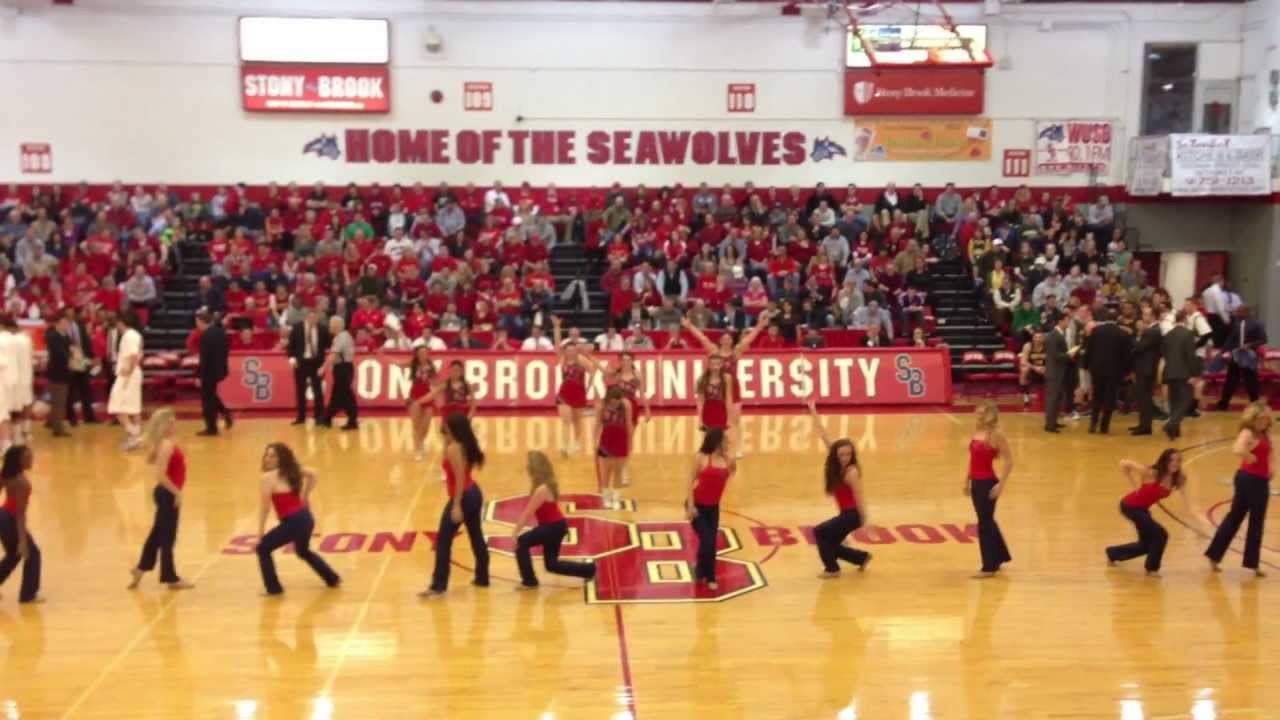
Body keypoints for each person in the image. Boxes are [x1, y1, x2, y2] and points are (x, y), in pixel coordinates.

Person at [254, 443, 342, 595]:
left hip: (294, 521)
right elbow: (314, 473)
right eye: (267, 455)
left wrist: (260, 531)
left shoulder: (267, 478)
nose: (268, 458)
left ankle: (273, 589)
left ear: (281, 458)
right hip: (306, 518)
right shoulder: (292, 471)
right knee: (303, 551)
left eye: (273, 456)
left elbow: (265, 508)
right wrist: (306, 495)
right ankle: (332, 578)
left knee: (263, 548)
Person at [684, 312, 770, 458]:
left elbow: (749, 340)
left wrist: (760, 326)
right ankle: (709, 445)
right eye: (723, 339)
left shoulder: (736, 352)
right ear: (720, 341)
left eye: (728, 338)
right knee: (711, 419)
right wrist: (690, 326)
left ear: (731, 340)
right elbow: (702, 338)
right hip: (717, 389)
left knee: (735, 420)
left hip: (733, 388)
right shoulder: (714, 351)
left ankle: (738, 447)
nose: (726, 341)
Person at [422, 412, 490, 597]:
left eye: (446, 426)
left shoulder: (454, 448)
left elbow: (459, 477)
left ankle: (438, 585)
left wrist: (457, 505)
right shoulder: (461, 444)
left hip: (464, 496)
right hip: (473, 492)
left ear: (453, 429)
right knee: (476, 536)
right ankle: (482, 577)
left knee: (443, 541)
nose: (443, 428)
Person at [1205, 402, 1274, 576]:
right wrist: (1249, 456)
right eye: (1263, 418)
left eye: (1268, 418)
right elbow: (1237, 448)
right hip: (1251, 481)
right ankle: (1253, 564)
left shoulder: (1264, 434)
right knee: (1252, 521)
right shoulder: (1248, 432)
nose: (1267, 421)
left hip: (1255, 480)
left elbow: (1268, 454)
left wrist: (1271, 468)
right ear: (1254, 418)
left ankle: (1215, 556)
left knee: (1235, 517)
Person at [509, 450, 596, 589]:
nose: (527, 469)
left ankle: (529, 581)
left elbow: (527, 513)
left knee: (521, 543)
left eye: (529, 466)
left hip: (552, 527)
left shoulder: (541, 490)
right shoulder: (546, 485)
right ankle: (589, 569)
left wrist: (514, 533)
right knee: (551, 565)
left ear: (535, 469)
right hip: (557, 526)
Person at [805, 397, 872, 577]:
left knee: (819, 532)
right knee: (830, 543)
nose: (845, 457)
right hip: (845, 514)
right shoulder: (837, 465)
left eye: (848, 454)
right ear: (836, 455)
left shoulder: (851, 472)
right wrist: (812, 410)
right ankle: (861, 558)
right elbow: (823, 434)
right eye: (842, 454)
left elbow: (860, 496)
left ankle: (832, 569)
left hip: (852, 515)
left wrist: (865, 520)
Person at [128, 409, 194, 590]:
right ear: (164, 425)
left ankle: (140, 568)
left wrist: (152, 448)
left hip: (164, 493)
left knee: (157, 535)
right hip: (167, 493)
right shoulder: (166, 445)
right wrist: (177, 493)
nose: (174, 425)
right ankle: (170, 577)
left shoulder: (163, 444)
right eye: (171, 422)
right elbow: (160, 475)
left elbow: (150, 461)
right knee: (167, 538)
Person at [1105, 450, 1196, 577]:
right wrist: (1133, 484)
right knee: (1161, 535)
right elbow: (1124, 463)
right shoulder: (1152, 473)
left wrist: (1197, 524)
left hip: (1142, 510)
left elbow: (1188, 504)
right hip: (1130, 506)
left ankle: (1113, 553)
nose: (1175, 463)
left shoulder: (1179, 478)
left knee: (1147, 545)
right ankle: (1152, 568)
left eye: (1178, 460)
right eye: (1171, 460)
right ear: (1164, 461)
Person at [684, 427, 736, 590]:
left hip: (713, 507)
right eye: (725, 440)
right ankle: (711, 576)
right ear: (718, 442)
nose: (728, 442)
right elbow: (689, 482)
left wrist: (730, 461)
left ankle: (701, 572)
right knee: (708, 540)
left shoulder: (728, 459)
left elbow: (732, 473)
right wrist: (690, 506)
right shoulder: (701, 458)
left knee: (710, 542)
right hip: (697, 506)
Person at [966, 403, 1013, 578]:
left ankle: (989, 567)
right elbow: (972, 460)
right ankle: (1000, 555)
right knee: (987, 520)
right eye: (976, 413)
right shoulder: (976, 433)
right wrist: (967, 480)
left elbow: (1009, 461)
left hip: (988, 483)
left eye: (980, 414)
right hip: (976, 483)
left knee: (984, 524)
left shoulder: (996, 436)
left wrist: (1000, 484)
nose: (976, 416)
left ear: (988, 415)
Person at [0, 445, 41, 603]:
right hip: (10, 519)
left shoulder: (5, 475)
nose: (31, 460)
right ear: (18, 461)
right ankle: (27, 595)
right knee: (33, 554)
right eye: (27, 458)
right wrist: (23, 541)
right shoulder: (22, 483)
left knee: (13, 555)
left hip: (2, 516)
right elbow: (20, 515)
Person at [1083, 309, 1131, 434]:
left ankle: (1093, 424)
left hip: (1097, 369)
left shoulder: (1096, 331)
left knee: (1097, 397)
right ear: (1117, 319)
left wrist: (1085, 365)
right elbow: (1126, 355)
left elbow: (1089, 349)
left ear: (1106, 318)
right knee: (1110, 398)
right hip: (1113, 371)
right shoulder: (1122, 334)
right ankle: (1104, 427)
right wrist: (1127, 371)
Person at [551, 316, 594, 456]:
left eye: (572, 350)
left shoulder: (581, 360)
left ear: (576, 350)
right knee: (566, 419)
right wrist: (557, 327)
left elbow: (592, 370)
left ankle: (576, 442)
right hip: (564, 393)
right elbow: (557, 344)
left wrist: (588, 386)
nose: (569, 352)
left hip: (579, 392)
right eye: (567, 350)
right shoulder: (562, 358)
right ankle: (564, 445)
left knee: (577, 421)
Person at [1215, 305, 1267, 410]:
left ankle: (1255, 404)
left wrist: (1250, 345)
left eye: (1239, 311)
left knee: (1251, 380)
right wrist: (1223, 350)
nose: (1237, 313)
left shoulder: (1257, 324)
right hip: (1236, 355)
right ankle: (1224, 404)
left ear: (1246, 312)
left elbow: (1263, 339)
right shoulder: (1237, 324)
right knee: (1231, 380)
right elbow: (1231, 339)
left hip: (1249, 356)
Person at [107, 311, 145, 451]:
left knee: (118, 406)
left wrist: (128, 372)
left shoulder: (129, 336)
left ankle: (135, 436)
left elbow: (134, 355)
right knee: (133, 407)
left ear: (122, 322)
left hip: (128, 374)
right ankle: (136, 437)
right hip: (132, 373)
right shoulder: (135, 335)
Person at [287, 309, 330, 426]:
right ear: (306, 318)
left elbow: (328, 344)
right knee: (300, 390)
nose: (313, 320)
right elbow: (291, 346)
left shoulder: (322, 328)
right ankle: (301, 417)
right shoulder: (297, 328)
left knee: (318, 390)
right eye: (310, 318)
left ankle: (319, 416)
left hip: (316, 363)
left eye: (315, 318)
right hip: (301, 363)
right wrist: (292, 360)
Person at [595, 386, 634, 510]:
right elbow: (597, 424)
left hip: (621, 440)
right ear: (609, 399)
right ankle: (606, 498)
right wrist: (595, 440)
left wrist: (631, 441)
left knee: (618, 472)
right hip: (606, 441)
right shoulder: (601, 406)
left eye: (618, 402)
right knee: (606, 472)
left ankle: (616, 498)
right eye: (613, 402)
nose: (616, 404)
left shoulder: (626, 405)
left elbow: (629, 423)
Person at [195, 311, 232, 436]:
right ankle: (225, 413)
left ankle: (211, 427)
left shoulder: (205, 336)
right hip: (219, 369)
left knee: (207, 400)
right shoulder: (221, 332)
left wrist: (199, 375)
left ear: (201, 321)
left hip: (208, 371)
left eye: (197, 322)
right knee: (211, 395)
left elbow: (204, 358)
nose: (197, 324)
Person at [1160, 311, 1196, 441]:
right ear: (1185, 319)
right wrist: (1194, 373)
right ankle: (1171, 424)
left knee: (1174, 402)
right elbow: (1190, 356)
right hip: (1184, 373)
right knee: (1187, 401)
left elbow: (1163, 353)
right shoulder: (1188, 334)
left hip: (1169, 372)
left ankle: (1174, 433)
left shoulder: (1168, 335)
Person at [63, 307, 99, 426]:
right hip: (70, 361)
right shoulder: (62, 327)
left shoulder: (80, 325)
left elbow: (86, 341)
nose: (71, 315)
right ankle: (71, 418)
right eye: (68, 313)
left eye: (72, 313)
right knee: (70, 391)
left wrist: (92, 357)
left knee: (86, 390)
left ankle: (89, 417)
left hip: (82, 360)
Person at [321, 316, 358, 430]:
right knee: (342, 394)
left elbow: (335, 355)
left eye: (331, 324)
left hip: (343, 368)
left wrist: (323, 367)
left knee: (342, 394)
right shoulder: (344, 336)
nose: (329, 326)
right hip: (344, 368)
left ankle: (329, 418)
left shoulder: (341, 337)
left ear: (337, 325)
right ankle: (331, 418)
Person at [1130, 307, 1162, 436]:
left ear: (1153, 316)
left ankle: (1145, 427)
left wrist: (1133, 336)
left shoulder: (1152, 331)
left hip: (1146, 369)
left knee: (1145, 399)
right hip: (1145, 369)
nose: (1143, 317)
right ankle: (1143, 424)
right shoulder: (1151, 331)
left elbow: (1140, 347)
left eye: (1146, 314)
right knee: (1143, 398)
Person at [404, 346, 438, 462]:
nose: (423, 355)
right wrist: (381, 355)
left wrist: (430, 396)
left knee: (426, 425)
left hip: (427, 397)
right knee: (416, 425)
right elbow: (398, 363)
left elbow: (434, 386)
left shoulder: (432, 368)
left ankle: (421, 441)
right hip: (414, 396)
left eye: (425, 353)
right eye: (421, 353)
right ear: (417, 354)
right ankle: (418, 450)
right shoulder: (413, 364)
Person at [2, 319, 32, 445]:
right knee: (18, 408)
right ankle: (20, 434)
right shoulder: (24, 339)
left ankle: (8, 442)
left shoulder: (4, 340)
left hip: (4, 379)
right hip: (21, 377)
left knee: (4, 412)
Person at [44, 314, 73, 437]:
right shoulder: (53, 337)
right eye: (64, 324)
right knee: (58, 400)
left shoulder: (65, 337)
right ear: (58, 324)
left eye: (67, 324)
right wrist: (70, 361)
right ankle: (58, 428)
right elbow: (59, 354)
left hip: (63, 372)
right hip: (57, 373)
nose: (66, 326)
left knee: (58, 400)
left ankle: (52, 421)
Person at [1043, 313, 1071, 433]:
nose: (1068, 323)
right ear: (1061, 321)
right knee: (1052, 399)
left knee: (1057, 398)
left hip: (1058, 371)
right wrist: (1069, 355)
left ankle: (1053, 421)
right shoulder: (1053, 336)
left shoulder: (1057, 334)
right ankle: (1049, 425)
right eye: (1067, 320)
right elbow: (1056, 355)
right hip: (1054, 372)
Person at [696, 354, 733, 432]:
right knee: (708, 439)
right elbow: (700, 401)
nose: (715, 367)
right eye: (712, 364)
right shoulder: (701, 380)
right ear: (708, 365)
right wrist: (699, 420)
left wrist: (729, 419)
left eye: (718, 364)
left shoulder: (727, 378)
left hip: (721, 412)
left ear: (721, 365)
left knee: (722, 439)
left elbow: (728, 398)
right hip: (708, 412)